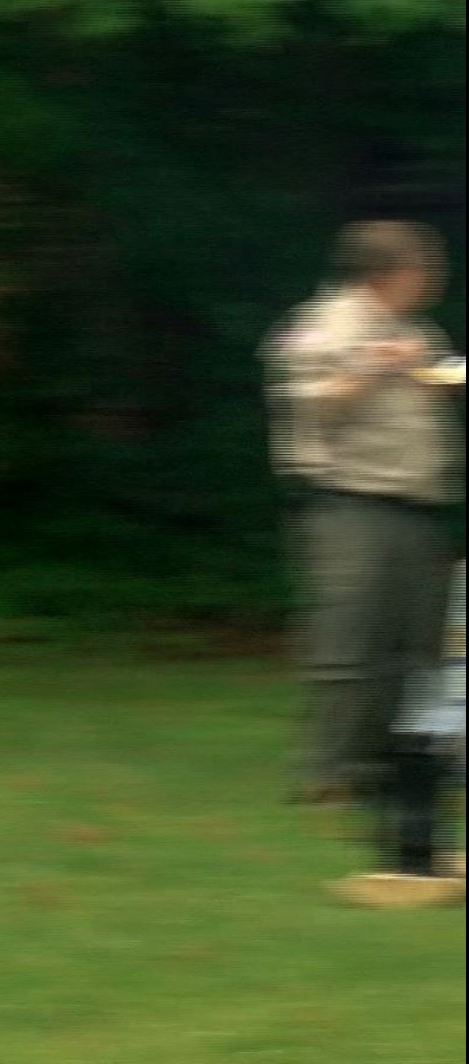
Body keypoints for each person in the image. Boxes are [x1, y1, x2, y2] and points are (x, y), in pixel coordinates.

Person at [267, 221, 465, 907]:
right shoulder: (322, 323)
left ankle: (404, 781)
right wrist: (372, 367)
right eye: (425, 264)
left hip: (417, 510)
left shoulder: (421, 330)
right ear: (389, 269)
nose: (433, 275)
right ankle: (334, 773)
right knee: (350, 644)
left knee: (419, 656)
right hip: (351, 506)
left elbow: (442, 376)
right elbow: (307, 397)